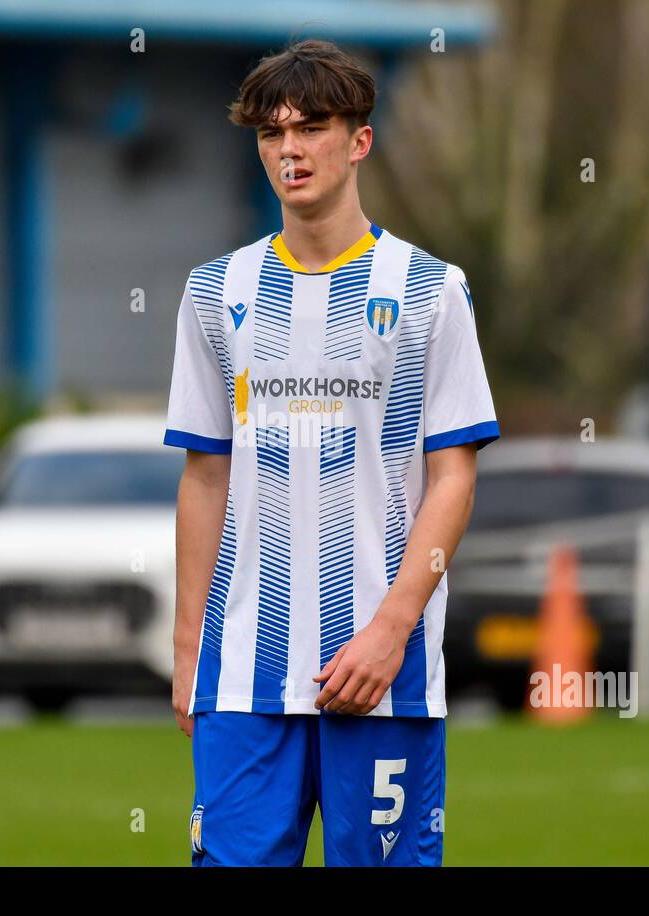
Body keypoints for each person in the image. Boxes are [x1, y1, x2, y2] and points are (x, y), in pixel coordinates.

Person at [164, 39, 499, 866]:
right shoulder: (216, 292)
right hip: (243, 678)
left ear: (359, 141)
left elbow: (453, 476)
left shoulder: (430, 290)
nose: (290, 149)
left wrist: (391, 630)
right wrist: (187, 654)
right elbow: (205, 473)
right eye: (271, 133)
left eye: (312, 128)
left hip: (386, 678)